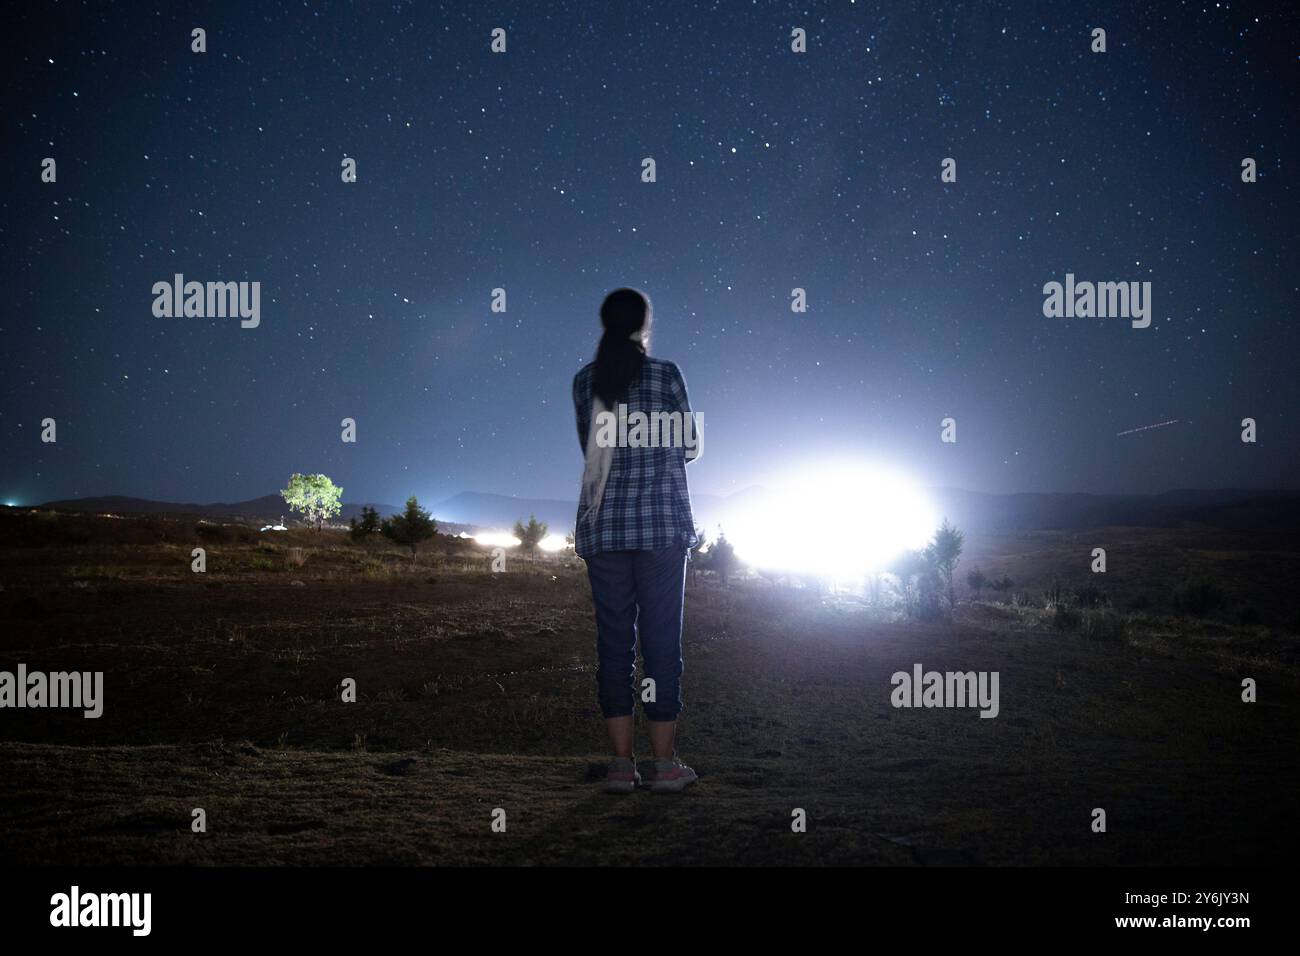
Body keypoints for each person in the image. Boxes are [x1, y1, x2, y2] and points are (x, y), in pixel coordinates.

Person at [572, 288, 699, 794]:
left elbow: (592, 449)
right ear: (646, 325)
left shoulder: (586, 382)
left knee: (614, 645)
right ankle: (665, 766)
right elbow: (689, 445)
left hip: (603, 529)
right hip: (661, 528)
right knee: (662, 645)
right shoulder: (666, 375)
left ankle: (622, 766)